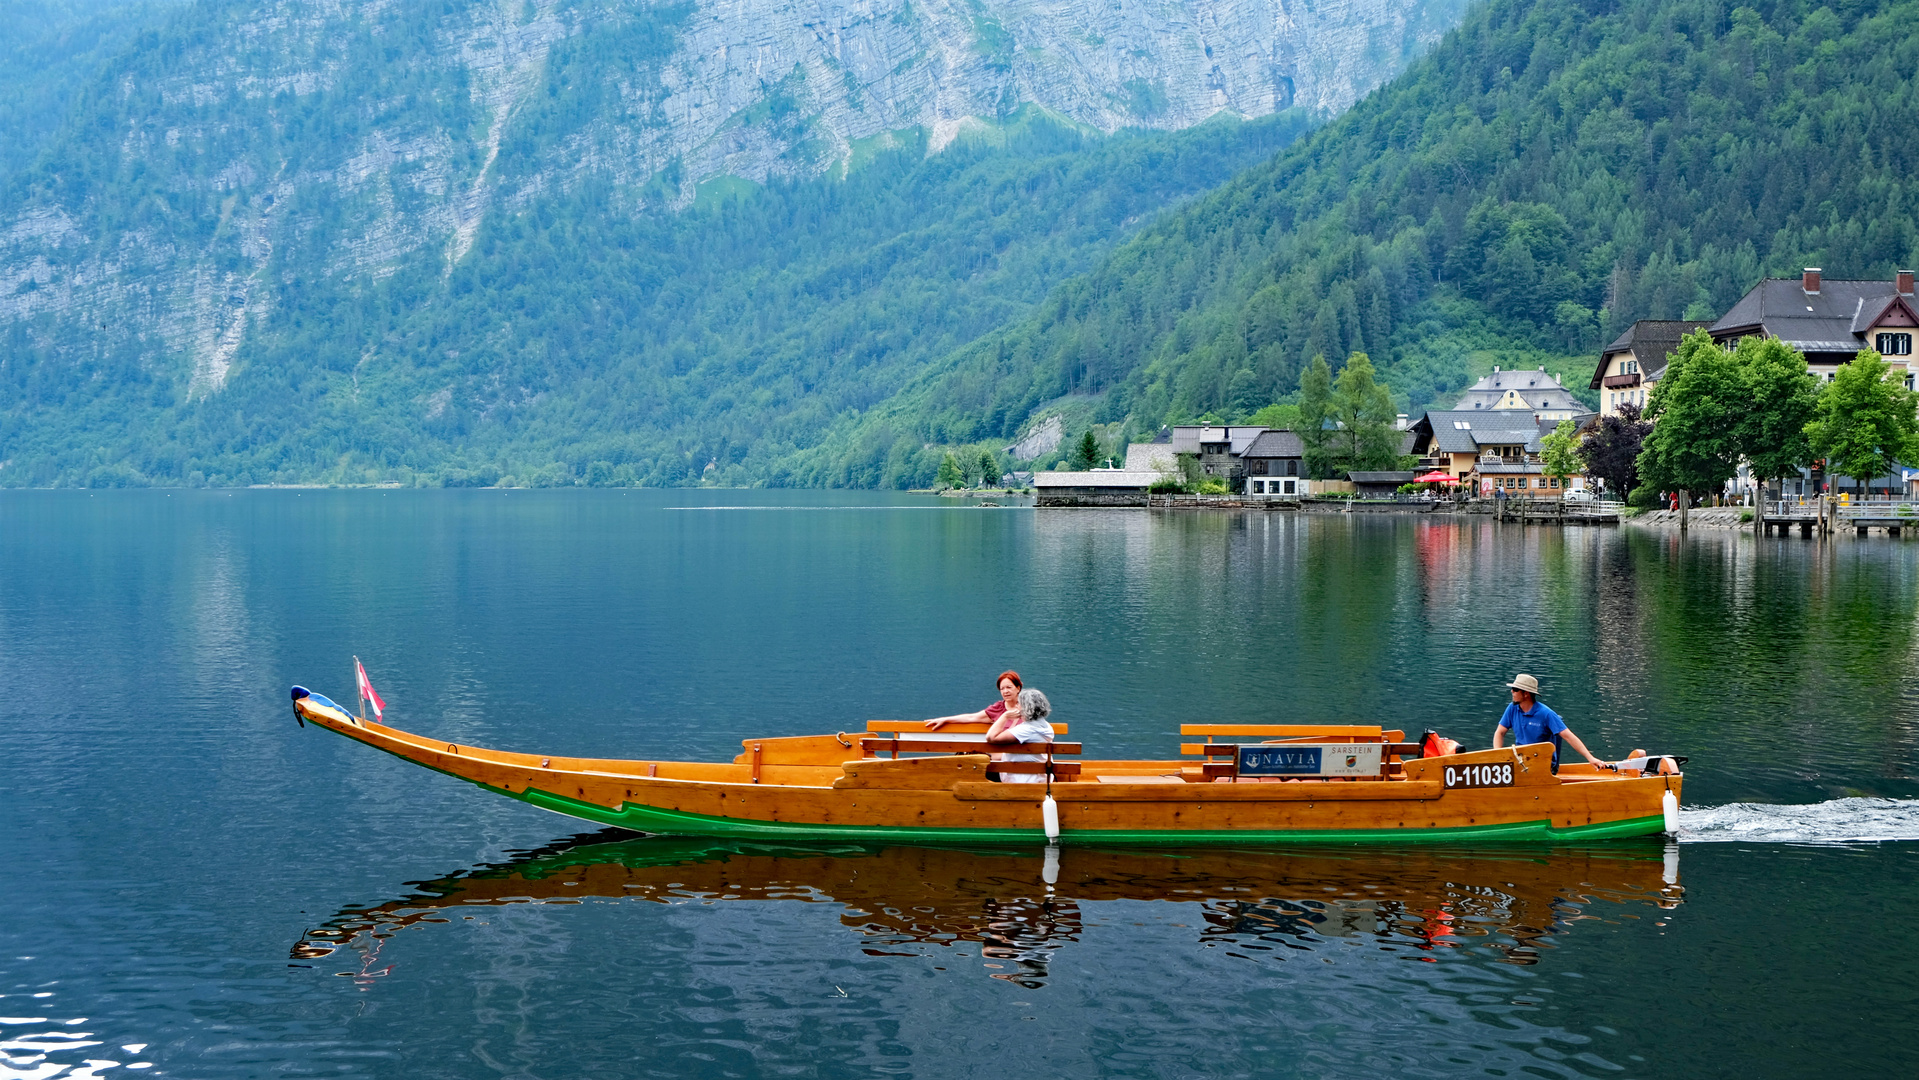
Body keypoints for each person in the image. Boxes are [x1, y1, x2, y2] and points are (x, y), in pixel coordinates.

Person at [1491, 673, 1609, 773]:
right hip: (1521, 761)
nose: (1512, 691)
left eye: (1515, 689)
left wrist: (1590, 758)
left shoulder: (1546, 714)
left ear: (1526, 693)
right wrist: (1497, 755)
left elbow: (1568, 736)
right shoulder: (1512, 708)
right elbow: (1500, 732)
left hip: (1542, 765)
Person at [986, 688, 1056, 783]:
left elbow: (991, 737)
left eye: (1018, 703)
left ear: (1025, 707)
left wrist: (1005, 716)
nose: (1016, 706)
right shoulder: (1046, 726)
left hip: (1022, 778)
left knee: (981, 769)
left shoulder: (1026, 730)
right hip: (1039, 777)